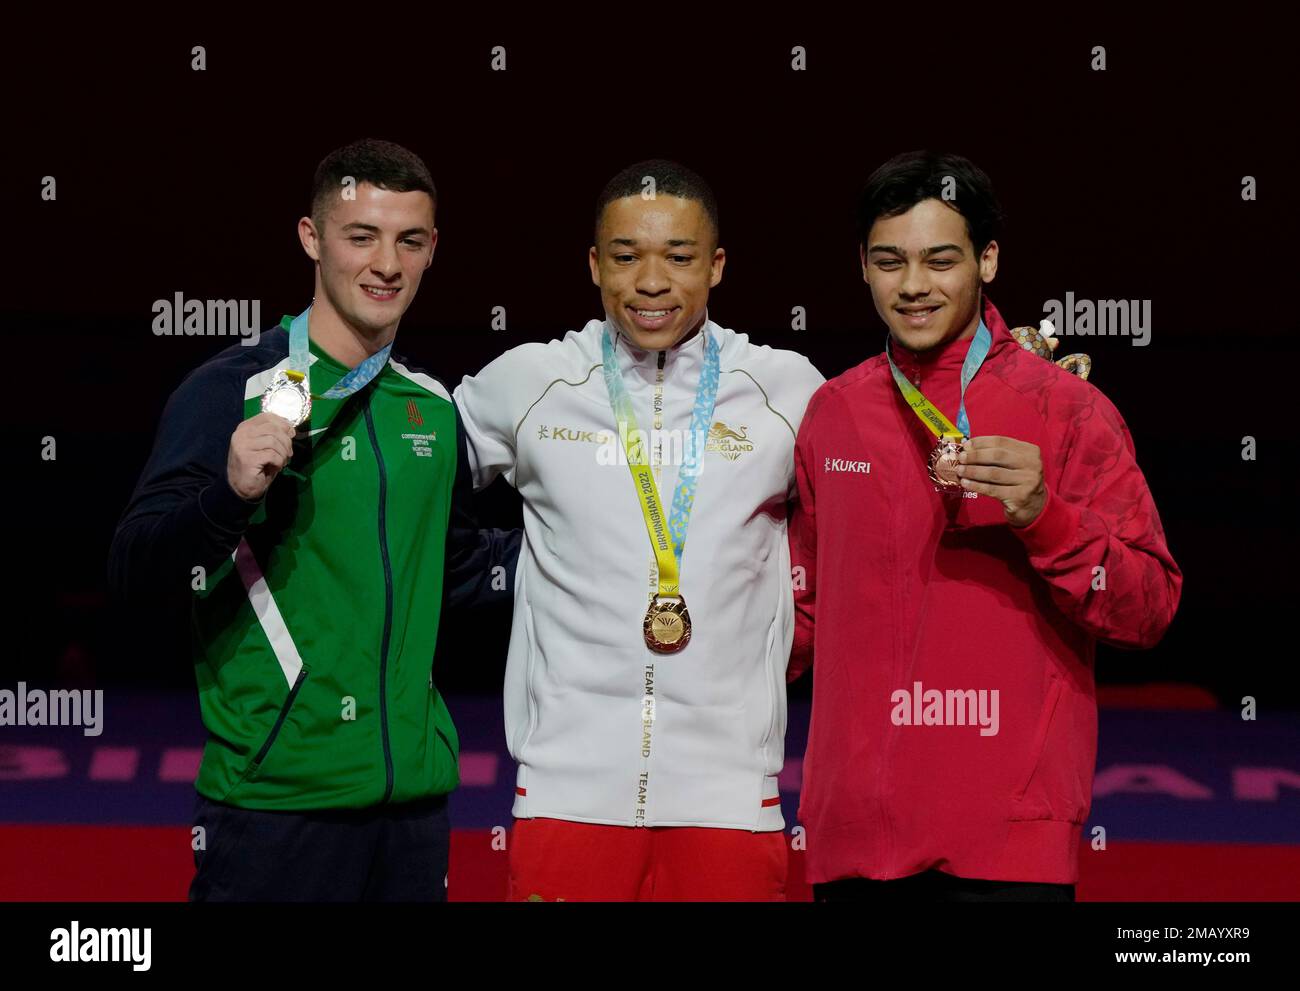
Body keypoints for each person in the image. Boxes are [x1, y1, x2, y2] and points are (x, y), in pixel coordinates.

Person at [108, 138, 517, 902]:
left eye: (410, 240)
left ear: (433, 250)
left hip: (414, 808)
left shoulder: (427, 405)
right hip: (275, 807)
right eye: (361, 236)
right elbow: (134, 570)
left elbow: (457, 567)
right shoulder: (230, 389)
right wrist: (226, 498)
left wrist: (592, 547)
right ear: (311, 238)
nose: (387, 264)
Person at [789, 150, 1182, 902]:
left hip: (1010, 843)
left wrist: (1047, 517)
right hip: (853, 840)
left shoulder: (1068, 410)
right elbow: (799, 619)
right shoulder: (832, 413)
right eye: (888, 261)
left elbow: (1150, 605)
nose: (912, 286)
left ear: (989, 259)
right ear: (862, 267)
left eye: (941, 260)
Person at [454, 159, 824, 901]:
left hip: (730, 801)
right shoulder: (531, 382)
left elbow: (860, 529)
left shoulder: (785, 391)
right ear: (595, 264)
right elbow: (406, 472)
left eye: (679, 257)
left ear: (716, 266)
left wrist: (797, 629)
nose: (651, 281)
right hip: (566, 793)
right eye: (625, 256)